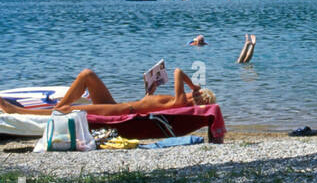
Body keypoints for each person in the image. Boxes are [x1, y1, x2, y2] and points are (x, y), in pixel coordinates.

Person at [0, 67, 215, 116]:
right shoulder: (176, 101)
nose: (190, 93)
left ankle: (16, 111)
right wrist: (152, 89)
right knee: (87, 75)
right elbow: (148, 104)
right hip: (119, 105)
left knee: (71, 109)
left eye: (194, 94)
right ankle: (56, 111)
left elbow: (178, 72)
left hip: (121, 111)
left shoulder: (180, 102)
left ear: (194, 98)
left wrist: (193, 86)